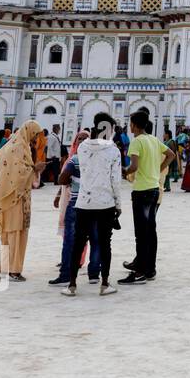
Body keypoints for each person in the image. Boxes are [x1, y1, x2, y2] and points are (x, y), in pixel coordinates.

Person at [60, 115, 125, 297]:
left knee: (78, 243)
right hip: (105, 202)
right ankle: (104, 284)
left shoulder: (82, 147)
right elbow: (115, 180)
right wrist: (118, 205)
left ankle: (72, 285)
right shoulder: (113, 150)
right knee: (104, 244)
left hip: (84, 202)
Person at [119, 110, 175, 285]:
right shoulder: (153, 140)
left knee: (141, 233)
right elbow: (171, 155)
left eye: (130, 123)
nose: (130, 127)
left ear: (135, 125)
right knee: (150, 231)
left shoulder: (137, 141)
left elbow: (134, 166)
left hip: (141, 191)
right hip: (153, 189)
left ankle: (140, 272)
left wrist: (123, 171)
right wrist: (157, 169)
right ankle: (150, 269)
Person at [0, 120, 44, 281]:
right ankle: (14, 271)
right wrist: (35, 169)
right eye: (35, 134)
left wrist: (32, 169)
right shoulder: (18, 147)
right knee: (15, 233)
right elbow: (18, 173)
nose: (36, 138)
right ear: (29, 131)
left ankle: (4, 268)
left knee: (9, 234)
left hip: (12, 197)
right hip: (15, 199)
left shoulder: (17, 144)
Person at [50, 130, 98, 287]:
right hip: (92, 204)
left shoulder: (75, 159)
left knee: (71, 239)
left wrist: (70, 179)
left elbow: (62, 179)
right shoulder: (97, 159)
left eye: (84, 138)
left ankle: (66, 274)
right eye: (79, 138)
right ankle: (94, 274)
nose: (81, 141)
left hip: (77, 203)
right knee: (94, 238)